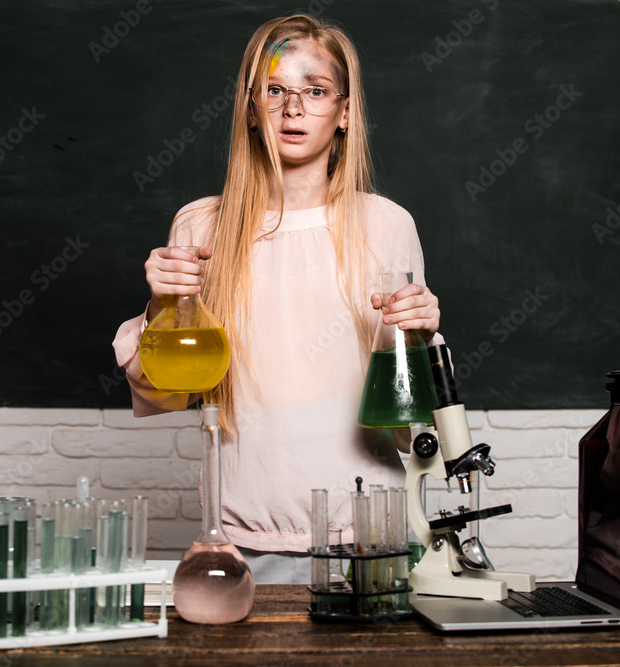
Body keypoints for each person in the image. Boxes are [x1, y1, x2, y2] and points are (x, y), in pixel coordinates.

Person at [113, 14, 442, 583]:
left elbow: (414, 422)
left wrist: (422, 335)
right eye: (275, 90)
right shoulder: (202, 227)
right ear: (249, 106)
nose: (294, 109)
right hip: (244, 543)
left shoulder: (386, 224)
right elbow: (169, 392)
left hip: (374, 533)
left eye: (315, 91)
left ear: (344, 113)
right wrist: (159, 309)